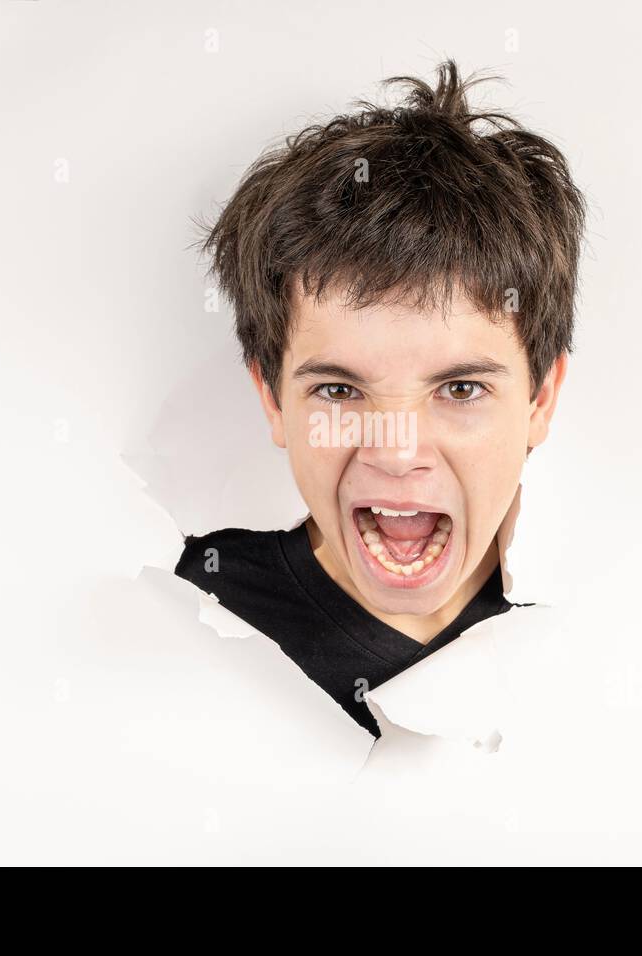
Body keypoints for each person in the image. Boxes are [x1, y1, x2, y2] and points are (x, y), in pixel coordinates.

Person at [176, 59, 587, 738]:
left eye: (460, 389)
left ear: (540, 399)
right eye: (339, 390)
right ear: (272, 398)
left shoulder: (592, 645)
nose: (397, 454)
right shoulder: (192, 608)